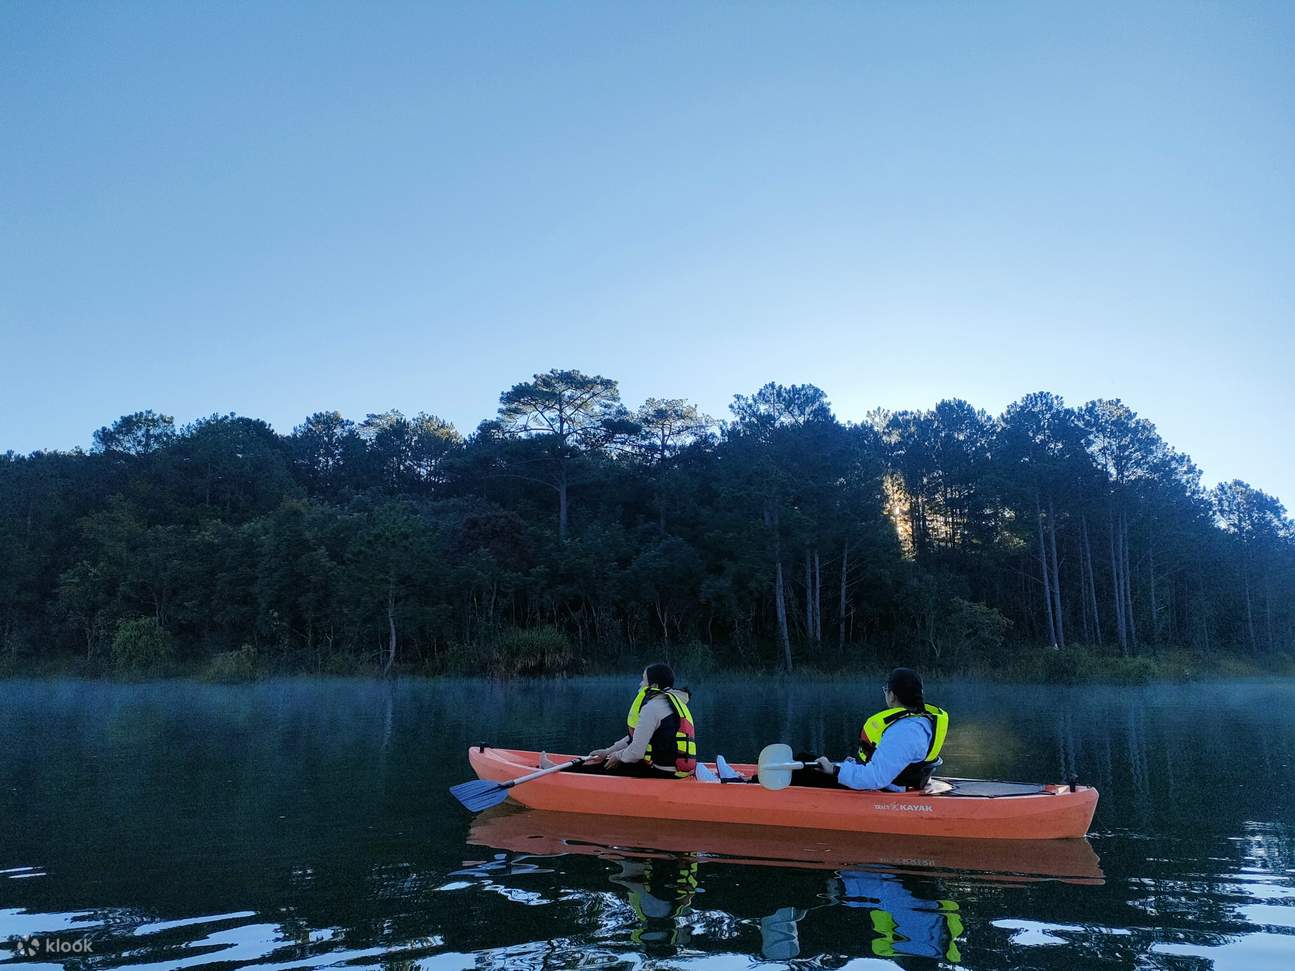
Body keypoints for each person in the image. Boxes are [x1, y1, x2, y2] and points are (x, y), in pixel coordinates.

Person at [794, 667, 948, 791]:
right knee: (804, 758)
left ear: (892, 695)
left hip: (886, 788)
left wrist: (835, 770)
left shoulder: (906, 732)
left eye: (885, 689)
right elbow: (892, 762)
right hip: (890, 781)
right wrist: (858, 764)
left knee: (799, 773)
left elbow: (876, 777)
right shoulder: (918, 722)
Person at [542, 662, 697, 779]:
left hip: (662, 773)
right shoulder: (676, 704)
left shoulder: (652, 708)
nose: (640, 684)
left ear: (654, 685)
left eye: (643, 680)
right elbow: (635, 738)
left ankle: (557, 772)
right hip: (680, 772)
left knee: (607, 766)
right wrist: (608, 752)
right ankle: (562, 769)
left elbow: (636, 753)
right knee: (614, 759)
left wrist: (617, 756)